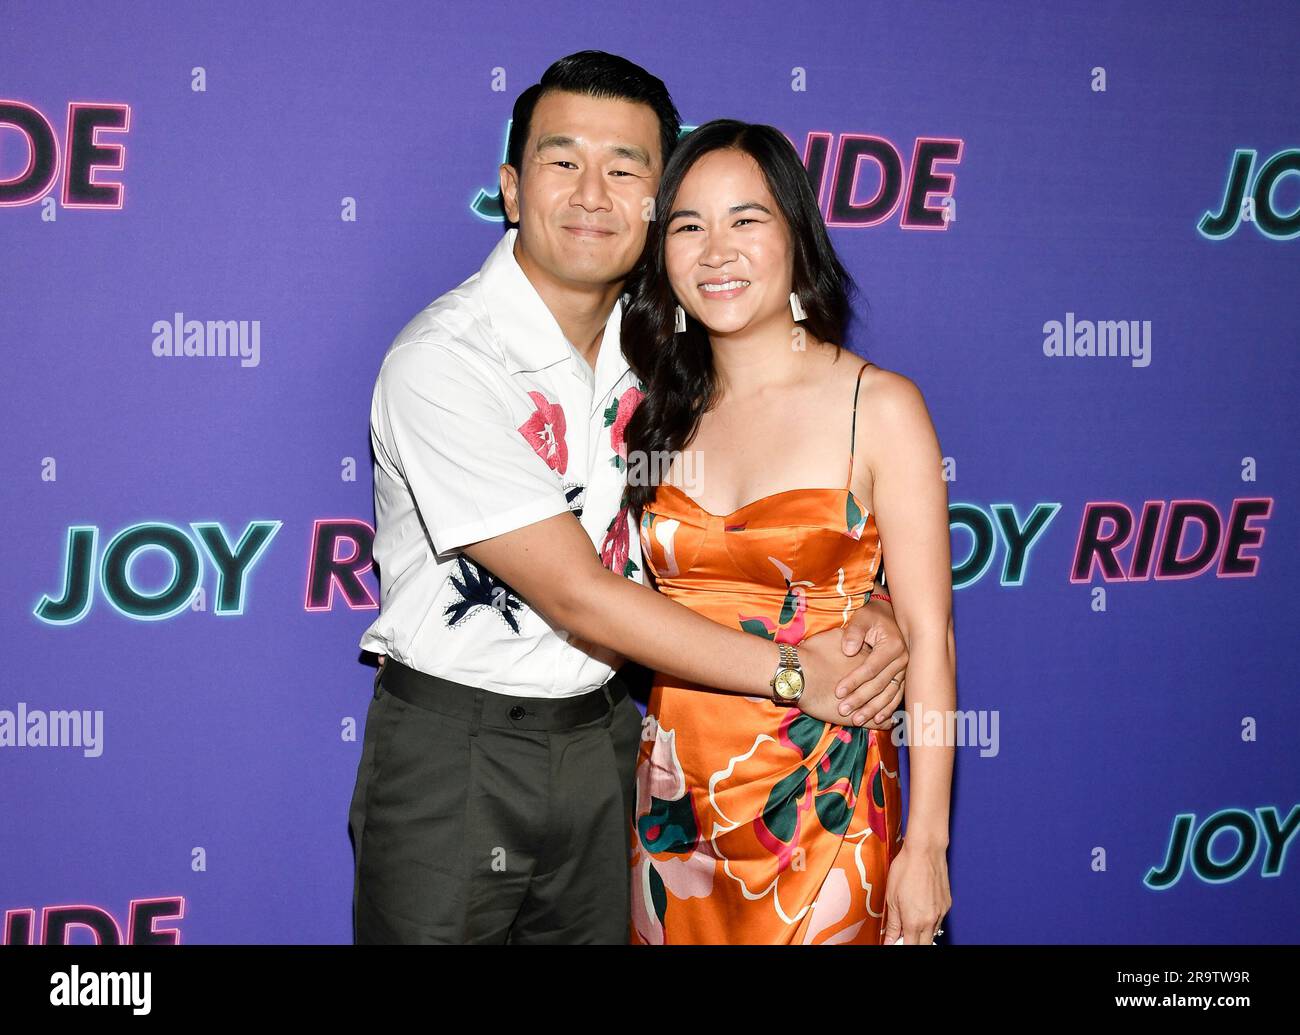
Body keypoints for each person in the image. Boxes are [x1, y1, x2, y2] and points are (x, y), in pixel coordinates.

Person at [348, 51, 911, 945]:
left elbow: (747, 528)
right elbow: (578, 592)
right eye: (562, 161)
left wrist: (868, 592)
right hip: (458, 755)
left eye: (626, 169)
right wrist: (803, 673)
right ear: (509, 185)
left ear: (656, 204)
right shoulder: (445, 360)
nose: (591, 194)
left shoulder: (666, 356)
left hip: (616, 745)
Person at [621, 120, 956, 945]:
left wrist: (930, 843)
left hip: (825, 806)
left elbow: (930, 635)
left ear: (798, 238)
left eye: (747, 219)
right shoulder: (651, 409)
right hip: (674, 810)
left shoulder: (879, 407)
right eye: (689, 226)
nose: (715, 250)